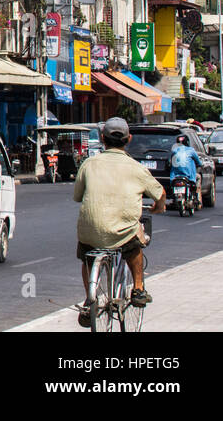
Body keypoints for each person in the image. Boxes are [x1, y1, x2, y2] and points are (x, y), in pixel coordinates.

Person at [72, 117, 166, 327]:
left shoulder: (89, 164)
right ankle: (139, 289)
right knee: (135, 247)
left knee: (88, 254)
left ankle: (90, 297)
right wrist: (158, 207)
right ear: (128, 139)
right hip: (122, 232)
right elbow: (160, 194)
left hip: (91, 231)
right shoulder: (136, 167)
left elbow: (77, 196)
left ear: (103, 139)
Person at [170, 134, 204, 209]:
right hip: (189, 176)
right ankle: (196, 197)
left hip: (175, 176)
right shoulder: (191, 150)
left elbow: (171, 162)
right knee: (198, 177)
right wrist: (199, 165)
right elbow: (198, 162)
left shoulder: (174, 151)